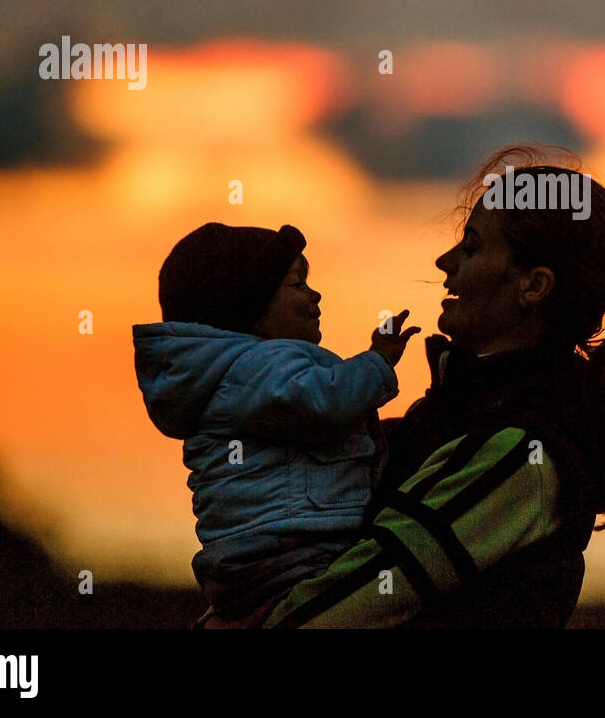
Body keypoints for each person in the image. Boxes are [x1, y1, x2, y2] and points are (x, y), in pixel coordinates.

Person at [256, 148, 605, 628]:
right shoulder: (460, 414)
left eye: (472, 246)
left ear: (534, 286)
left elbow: (347, 604)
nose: (444, 261)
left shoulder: (522, 451)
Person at [132, 222, 419, 622]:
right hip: (291, 552)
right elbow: (324, 404)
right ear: (249, 307)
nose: (314, 295)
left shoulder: (238, 374)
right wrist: (378, 361)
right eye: (298, 284)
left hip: (255, 559)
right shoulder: (258, 366)